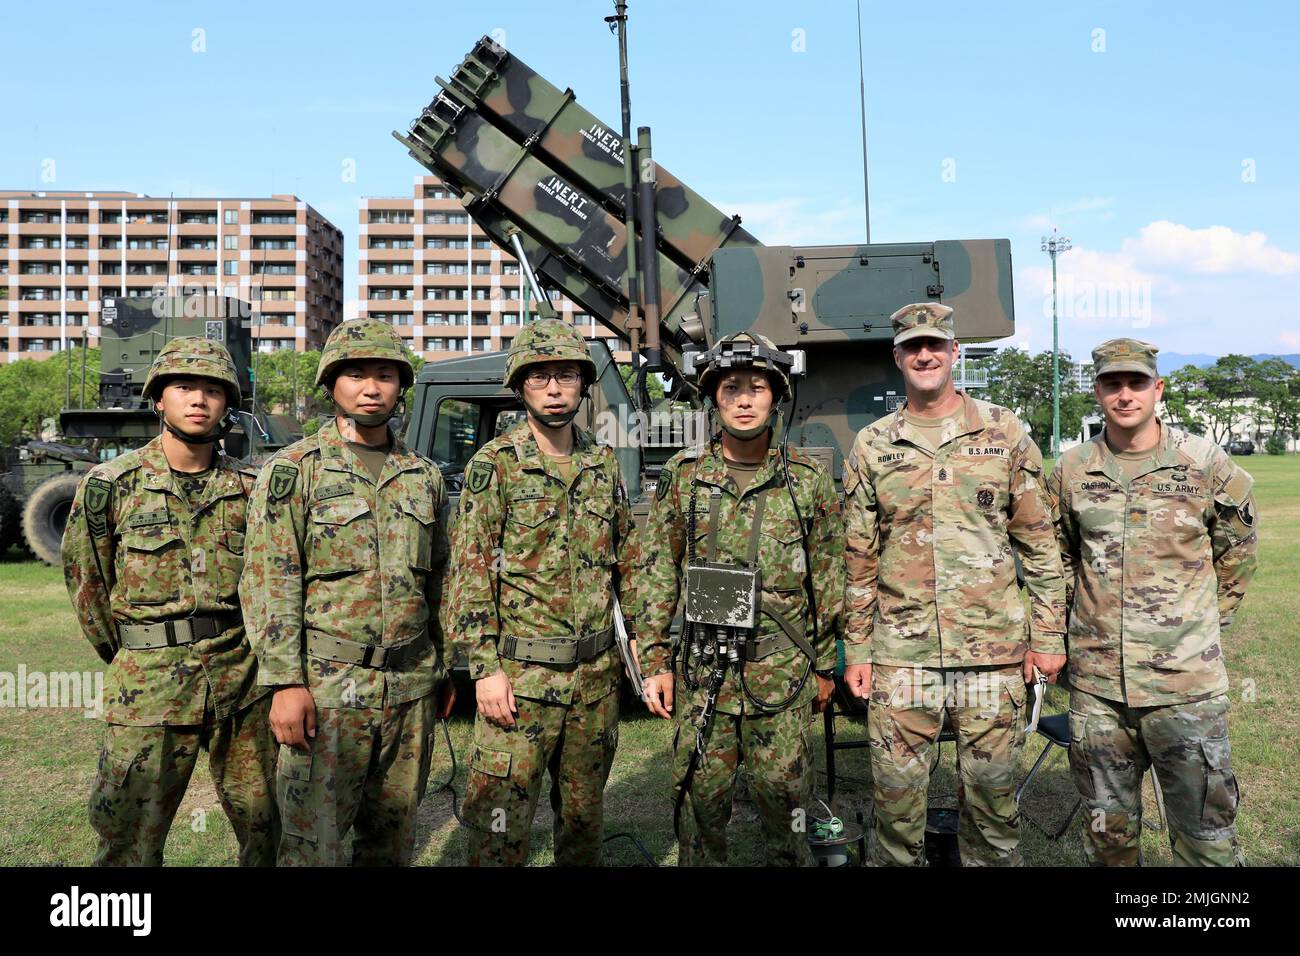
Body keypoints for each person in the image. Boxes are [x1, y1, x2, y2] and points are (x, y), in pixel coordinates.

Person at [841, 302, 1067, 866]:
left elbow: (1039, 542)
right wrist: (859, 650)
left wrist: (1049, 637)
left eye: (935, 345)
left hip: (991, 655)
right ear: (897, 357)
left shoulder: (1004, 432)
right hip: (902, 657)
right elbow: (859, 556)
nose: (925, 355)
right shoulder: (872, 444)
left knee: (992, 810)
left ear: (953, 353)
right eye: (913, 347)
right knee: (895, 808)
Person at [240, 318, 453, 866]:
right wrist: (286, 682)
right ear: (332, 383)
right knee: (315, 847)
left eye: (385, 375)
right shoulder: (293, 471)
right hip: (328, 690)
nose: (371, 387)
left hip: (409, 689)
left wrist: (445, 667)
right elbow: (270, 579)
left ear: (401, 386)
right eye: (355, 374)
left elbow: (440, 579)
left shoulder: (422, 476)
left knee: (392, 842)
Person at [63, 336, 278, 866]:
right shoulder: (111, 485)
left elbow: (273, 580)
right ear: (159, 398)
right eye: (184, 387)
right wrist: (133, 653)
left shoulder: (253, 488)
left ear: (228, 402)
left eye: (212, 390)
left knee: (267, 822)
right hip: (148, 684)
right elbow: (87, 583)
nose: (199, 400)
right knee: (129, 834)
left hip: (241, 678)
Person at [1047, 338, 1257, 866]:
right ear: (1097, 392)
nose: (1124, 395)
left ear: (1157, 389)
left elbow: (1238, 549)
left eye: (1136, 383)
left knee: (1205, 836)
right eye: (1112, 384)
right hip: (1098, 691)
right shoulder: (1071, 469)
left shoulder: (1204, 463)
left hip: (1184, 687)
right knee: (1108, 836)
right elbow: (1058, 558)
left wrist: (1203, 625)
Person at [638, 331, 843, 866]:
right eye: (732, 388)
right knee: (701, 815)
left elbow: (827, 578)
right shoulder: (684, 478)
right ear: (714, 397)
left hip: (781, 673)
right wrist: (656, 661)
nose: (746, 399)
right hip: (705, 674)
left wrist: (824, 666)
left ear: (777, 397)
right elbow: (658, 572)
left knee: (788, 811)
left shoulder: (806, 480)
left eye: (758, 387)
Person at [446, 318, 634, 866]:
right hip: (519, 682)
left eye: (566, 377)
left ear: (583, 384)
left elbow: (629, 562)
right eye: (540, 378)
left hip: (594, 683)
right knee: (500, 830)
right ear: (520, 386)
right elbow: (470, 571)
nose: (554, 389)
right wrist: (484, 669)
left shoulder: (601, 464)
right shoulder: (496, 466)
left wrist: (642, 657)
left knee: (583, 824)